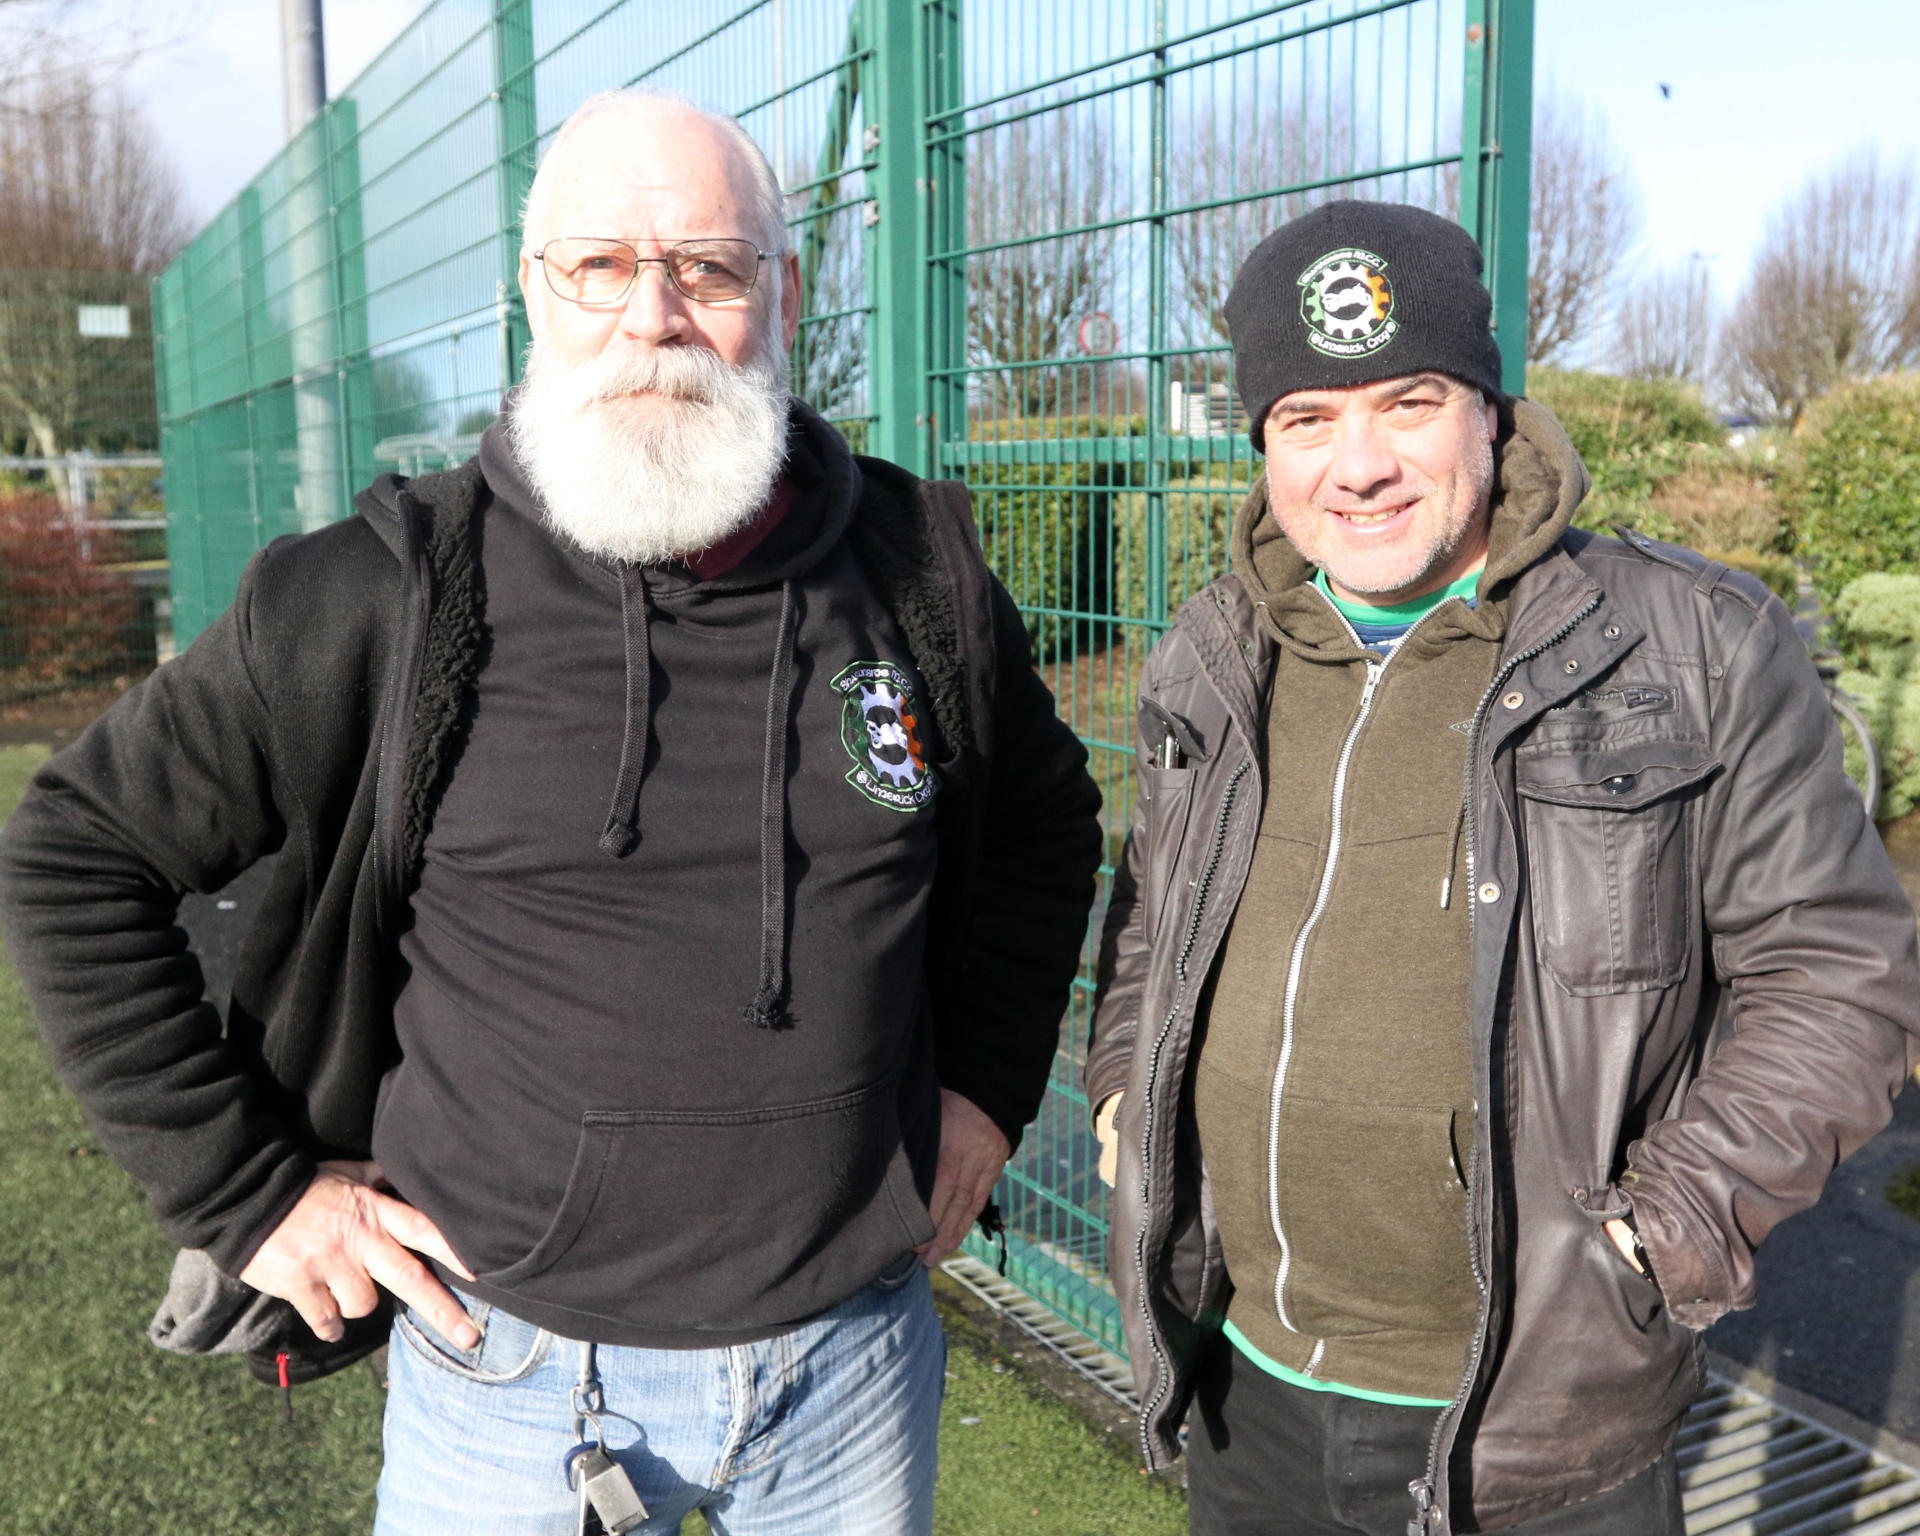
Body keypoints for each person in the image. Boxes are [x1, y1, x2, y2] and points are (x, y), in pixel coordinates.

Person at [0, 89, 1102, 1534]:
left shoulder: (919, 575)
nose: (653, 316)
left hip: (852, 1371)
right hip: (508, 1377)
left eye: (708, 267)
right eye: (600, 266)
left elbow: (1045, 822)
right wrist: (252, 1198)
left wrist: (989, 1093)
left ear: (781, 291)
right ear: (535, 293)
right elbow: (75, 852)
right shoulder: (377, 592)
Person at [1086, 199, 1920, 1535]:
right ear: (1262, 447)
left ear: (1490, 410)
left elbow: (1839, 980)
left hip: (1532, 1414)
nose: (1357, 465)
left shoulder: (1692, 648)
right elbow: (1152, 927)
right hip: (1244, 1379)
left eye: (1405, 402)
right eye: (1306, 420)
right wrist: (1129, 1104)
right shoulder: (1212, 650)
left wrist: (1662, 1235)